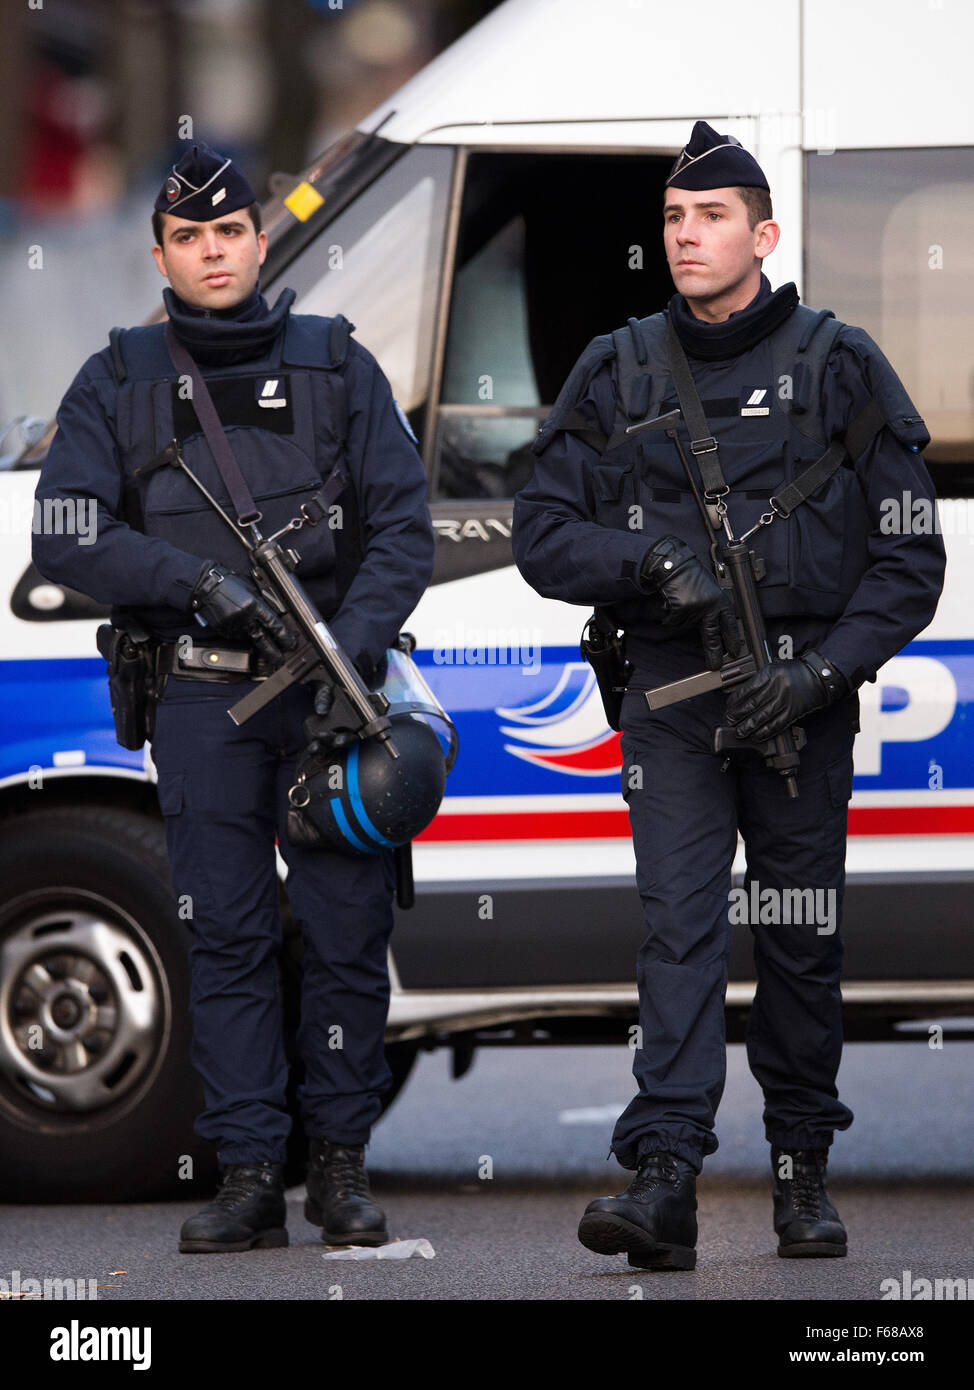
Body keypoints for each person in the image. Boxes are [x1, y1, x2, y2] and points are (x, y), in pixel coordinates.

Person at [512, 121, 945, 1270]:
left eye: (708, 218)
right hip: (672, 694)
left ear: (762, 233)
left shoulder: (837, 361)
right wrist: (643, 563)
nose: (684, 236)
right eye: (670, 218)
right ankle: (663, 1177)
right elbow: (541, 534)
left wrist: (818, 672)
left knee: (798, 940)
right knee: (681, 931)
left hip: (799, 699)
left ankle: (800, 1170)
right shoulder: (616, 366)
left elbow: (910, 558)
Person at [32, 141, 435, 1253]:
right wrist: (194, 584)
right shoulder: (116, 377)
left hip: (330, 696)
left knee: (349, 930)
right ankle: (251, 1171)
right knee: (227, 935)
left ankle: (339, 1170)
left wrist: (344, 650)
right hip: (201, 702)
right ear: (160, 254)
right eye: (189, 238)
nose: (213, 252)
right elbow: (63, 531)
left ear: (260, 239)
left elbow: (405, 528)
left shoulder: (338, 364)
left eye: (229, 232)